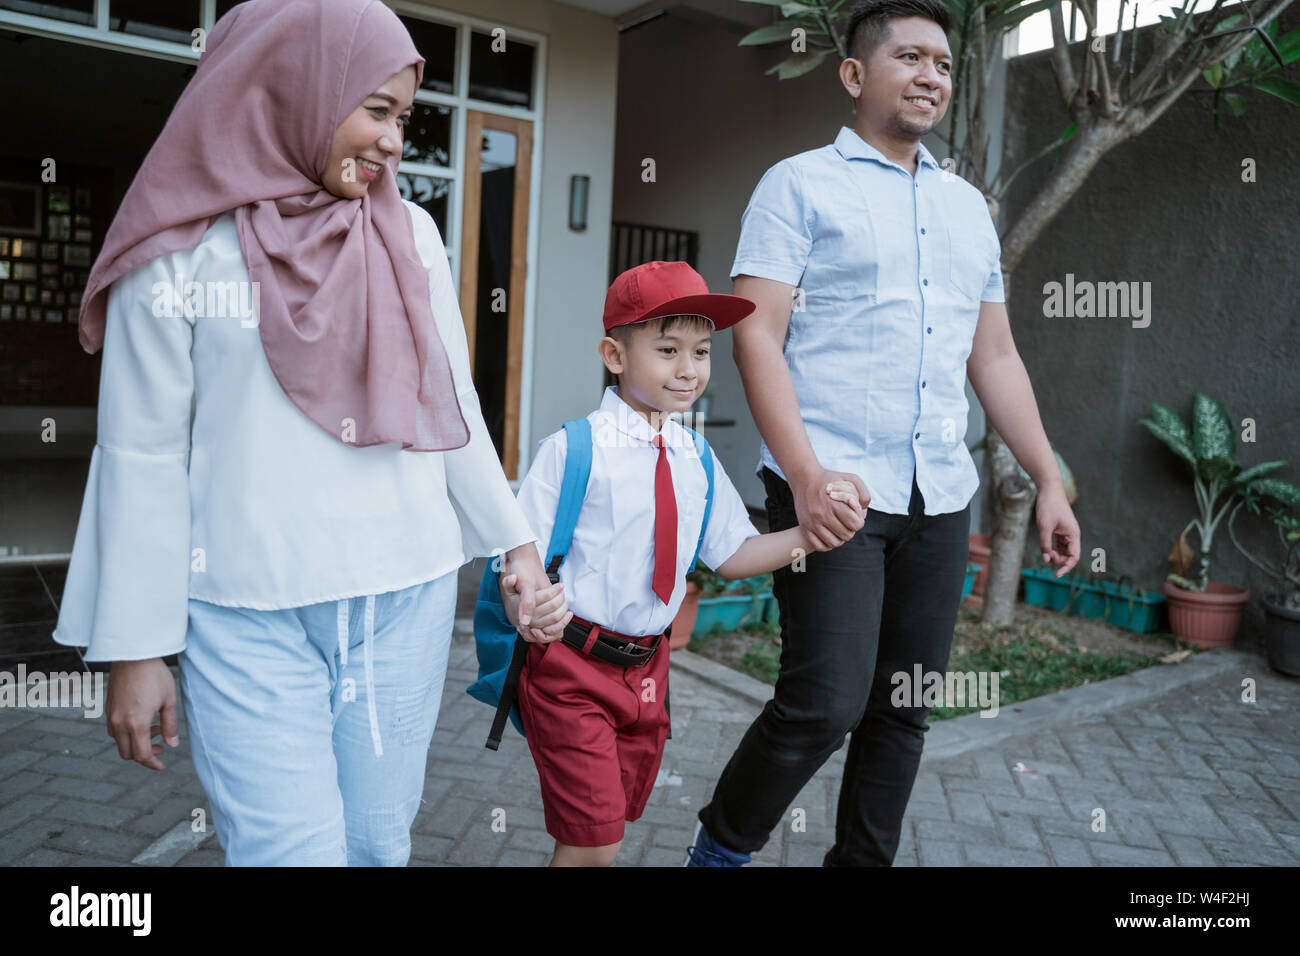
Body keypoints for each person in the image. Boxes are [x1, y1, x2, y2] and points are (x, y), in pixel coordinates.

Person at [51, 0, 570, 866]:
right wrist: (136, 650)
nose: (396, 142)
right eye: (376, 110)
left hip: (401, 601)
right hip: (242, 613)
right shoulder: (177, 253)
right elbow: (139, 456)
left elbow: (453, 405)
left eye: (406, 117)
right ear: (290, 88)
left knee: (374, 846)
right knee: (287, 853)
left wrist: (513, 545)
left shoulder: (413, 235)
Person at [687, 0, 1082, 867]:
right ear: (856, 75)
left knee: (903, 707)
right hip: (830, 490)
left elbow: (998, 356)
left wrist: (1047, 478)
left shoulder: (968, 208)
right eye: (910, 57)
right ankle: (719, 848)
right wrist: (807, 473)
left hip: (937, 493)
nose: (932, 75)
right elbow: (756, 332)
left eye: (942, 62)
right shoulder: (797, 185)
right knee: (825, 702)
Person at [497, 260, 864, 867]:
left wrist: (813, 535)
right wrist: (525, 603)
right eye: (667, 349)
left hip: (647, 674)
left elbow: (735, 552)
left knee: (608, 823)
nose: (689, 369)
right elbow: (518, 555)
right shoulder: (572, 448)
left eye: (701, 351)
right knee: (595, 841)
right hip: (570, 669)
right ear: (614, 354)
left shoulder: (694, 452)